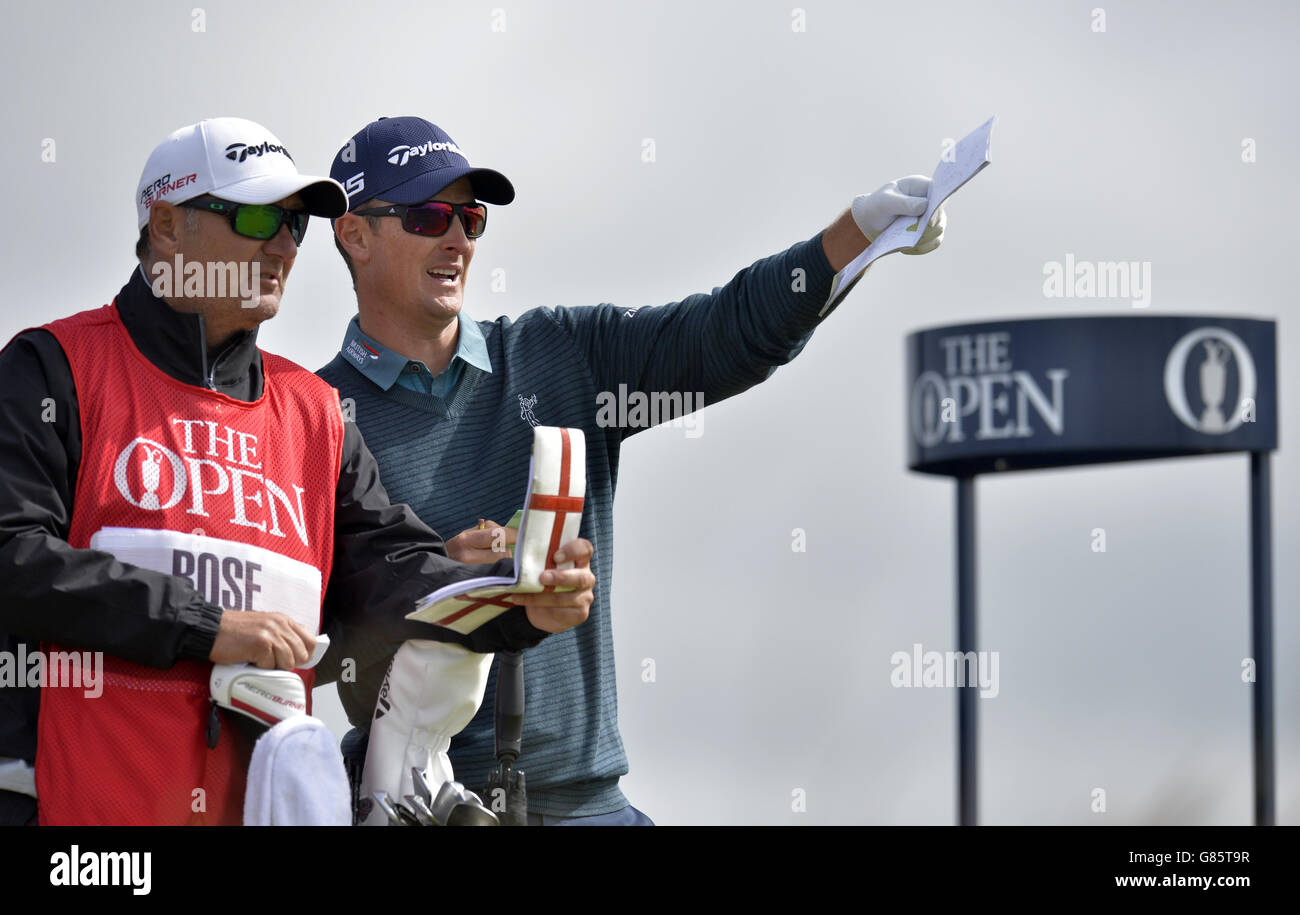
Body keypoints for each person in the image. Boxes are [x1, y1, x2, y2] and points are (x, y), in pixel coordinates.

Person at [320, 116, 945, 825]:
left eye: (470, 218)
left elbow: (725, 334)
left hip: (592, 803)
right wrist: (445, 586)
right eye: (429, 215)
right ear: (355, 234)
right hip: (423, 809)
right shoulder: (310, 418)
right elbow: (307, 641)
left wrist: (852, 239)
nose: (458, 239)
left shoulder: (561, 351)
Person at [0, 117, 595, 826]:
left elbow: (393, 569)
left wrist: (515, 598)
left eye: (295, 224)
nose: (282, 243)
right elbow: (13, 556)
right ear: (165, 225)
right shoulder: (53, 366)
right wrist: (203, 624)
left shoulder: (316, 414)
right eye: (256, 216)